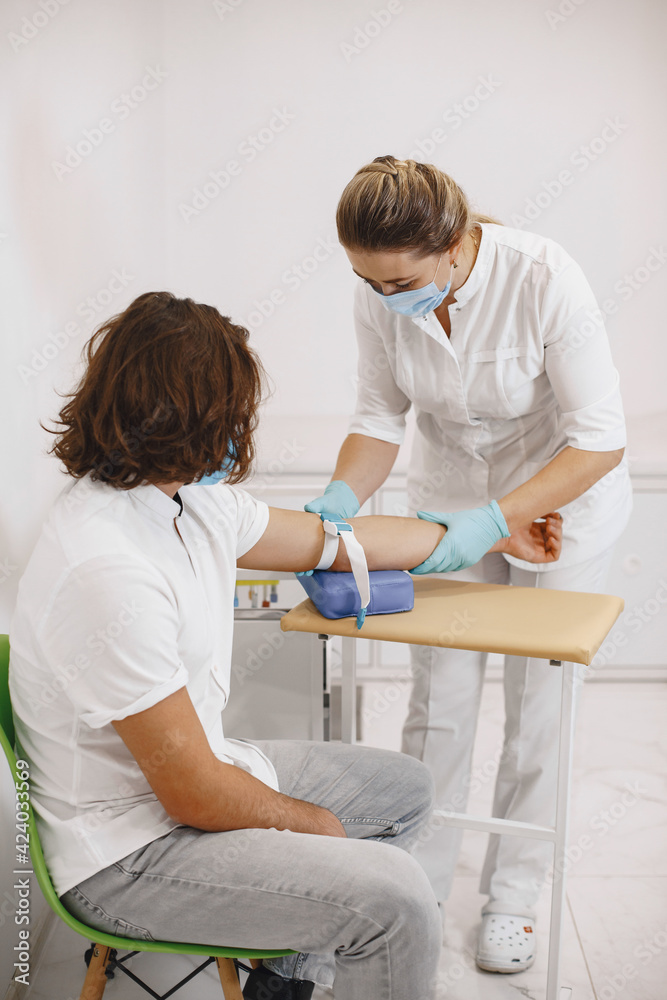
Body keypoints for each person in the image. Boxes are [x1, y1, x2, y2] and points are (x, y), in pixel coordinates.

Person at [8, 292, 561, 1000]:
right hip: (128, 856)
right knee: (393, 897)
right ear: (194, 421)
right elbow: (194, 793)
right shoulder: (104, 567)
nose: (244, 432)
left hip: (188, 787)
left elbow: (335, 543)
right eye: (235, 414)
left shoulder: (186, 501)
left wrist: (477, 532)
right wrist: (313, 828)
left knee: (403, 789)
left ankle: (287, 983)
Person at [304, 155, 631, 974]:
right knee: (438, 701)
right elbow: (380, 416)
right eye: (366, 281)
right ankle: (420, 887)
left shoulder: (542, 277)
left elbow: (598, 437)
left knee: (538, 709)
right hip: (448, 507)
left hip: (557, 513)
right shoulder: (378, 293)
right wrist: (341, 495)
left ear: (453, 244)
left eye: (398, 281)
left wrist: (496, 519)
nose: (384, 296)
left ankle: (513, 899)